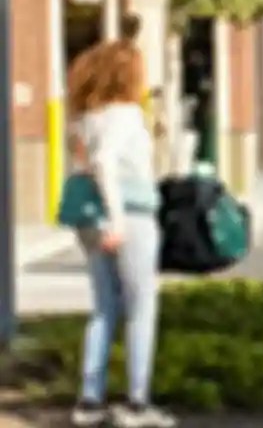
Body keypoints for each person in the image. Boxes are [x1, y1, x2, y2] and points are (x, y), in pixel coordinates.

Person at [66, 39, 175, 428]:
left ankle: (90, 399)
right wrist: (118, 220)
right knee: (142, 306)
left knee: (103, 307)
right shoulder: (126, 115)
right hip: (129, 216)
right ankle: (136, 404)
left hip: (88, 218)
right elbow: (104, 162)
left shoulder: (82, 118)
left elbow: (83, 164)